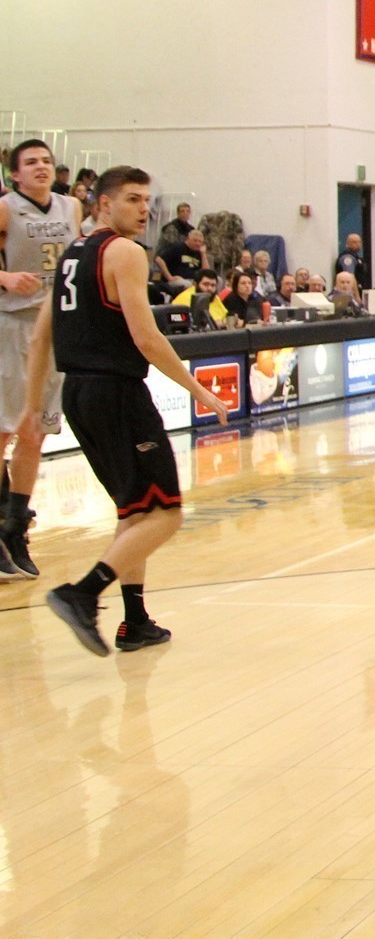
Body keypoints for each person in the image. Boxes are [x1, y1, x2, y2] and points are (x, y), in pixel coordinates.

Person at [23, 167, 229, 654]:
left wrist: (32, 407)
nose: (143, 209)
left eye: (146, 200)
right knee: (166, 513)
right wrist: (199, 390)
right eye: (132, 199)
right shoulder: (126, 253)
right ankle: (82, 593)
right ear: (103, 204)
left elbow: (39, 338)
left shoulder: (71, 255)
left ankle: (135, 620)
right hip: (116, 394)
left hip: (78, 394)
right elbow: (146, 338)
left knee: (134, 511)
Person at [0, 139, 85, 579]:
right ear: (14, 174)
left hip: (57, 330)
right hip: (14, 326)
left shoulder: (71, 207)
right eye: (30, 162)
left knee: (34, 434)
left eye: (46, 161)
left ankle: (16, 527)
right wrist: (5, 277)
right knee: (4, 432)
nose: (40, 167)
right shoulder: (6, 209)